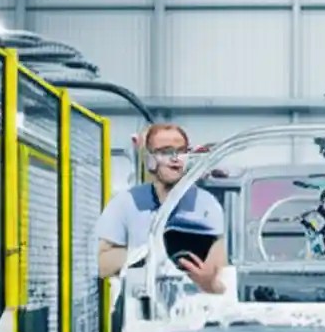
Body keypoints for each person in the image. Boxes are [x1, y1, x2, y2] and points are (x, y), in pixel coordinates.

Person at [96, 123, 228, 294]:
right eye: (166, 151)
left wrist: (209, 282)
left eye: (181, 151)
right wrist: (145, 254)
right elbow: (99, 264)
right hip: (139, 305)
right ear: (150, 159)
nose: (175, 158)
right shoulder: (126, 202)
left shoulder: (207, 204)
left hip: (192, 310)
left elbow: (221, 278)